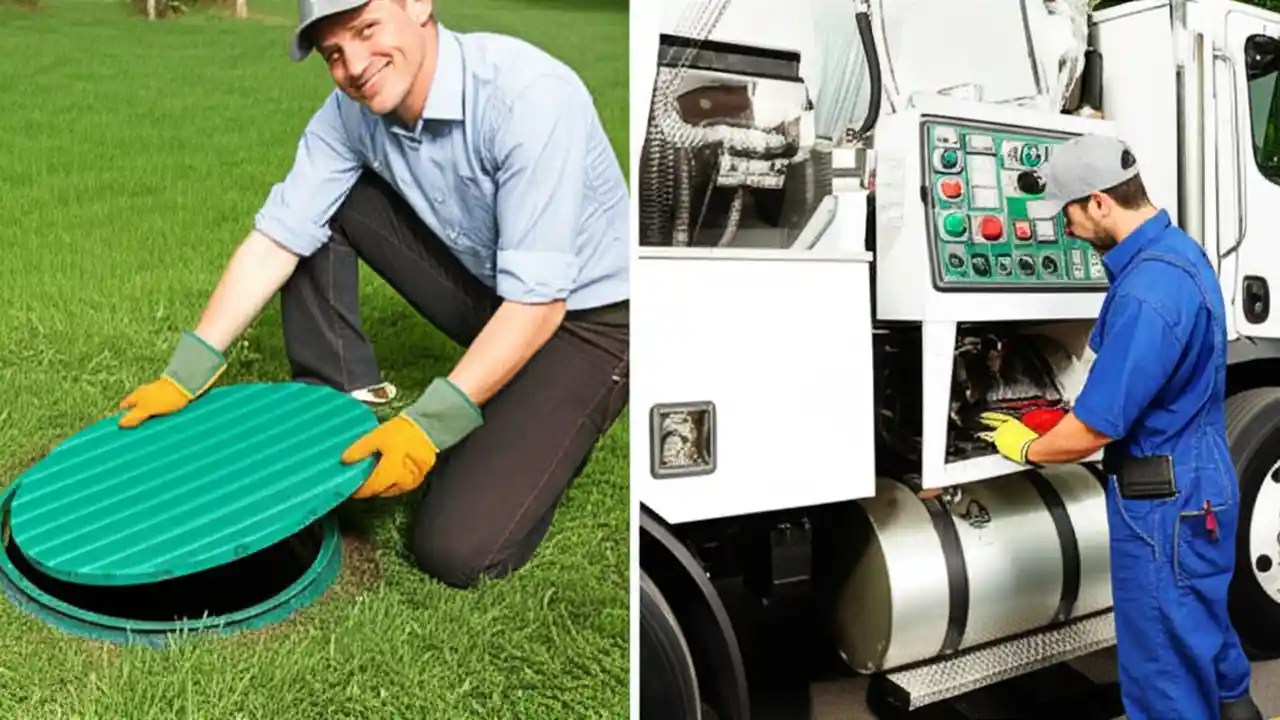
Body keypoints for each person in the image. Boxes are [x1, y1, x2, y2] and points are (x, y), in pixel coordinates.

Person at [114, 0, 630, 590]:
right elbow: (278, 238)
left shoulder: (529, 97)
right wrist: (185, 371)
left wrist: (427, 426)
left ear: (417, 5)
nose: (355, 65)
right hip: (495, 291)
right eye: (334, 52)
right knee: (326, 207)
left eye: (366, 30)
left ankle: (559, 423)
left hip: (588, 323)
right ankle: (335, 415)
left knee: (455, 549)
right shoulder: (349, 116)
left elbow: (539, 305)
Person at [976, 134, 1263, 720]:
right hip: (1199, 483)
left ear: (1101, 202)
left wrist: (1029, 445)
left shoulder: (1147, 290)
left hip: (1162, 503)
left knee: (1163, 669)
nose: (1065, 226)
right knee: (1203, 634)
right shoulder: (1182, 255)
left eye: (1070, 211)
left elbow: (1094, 429)